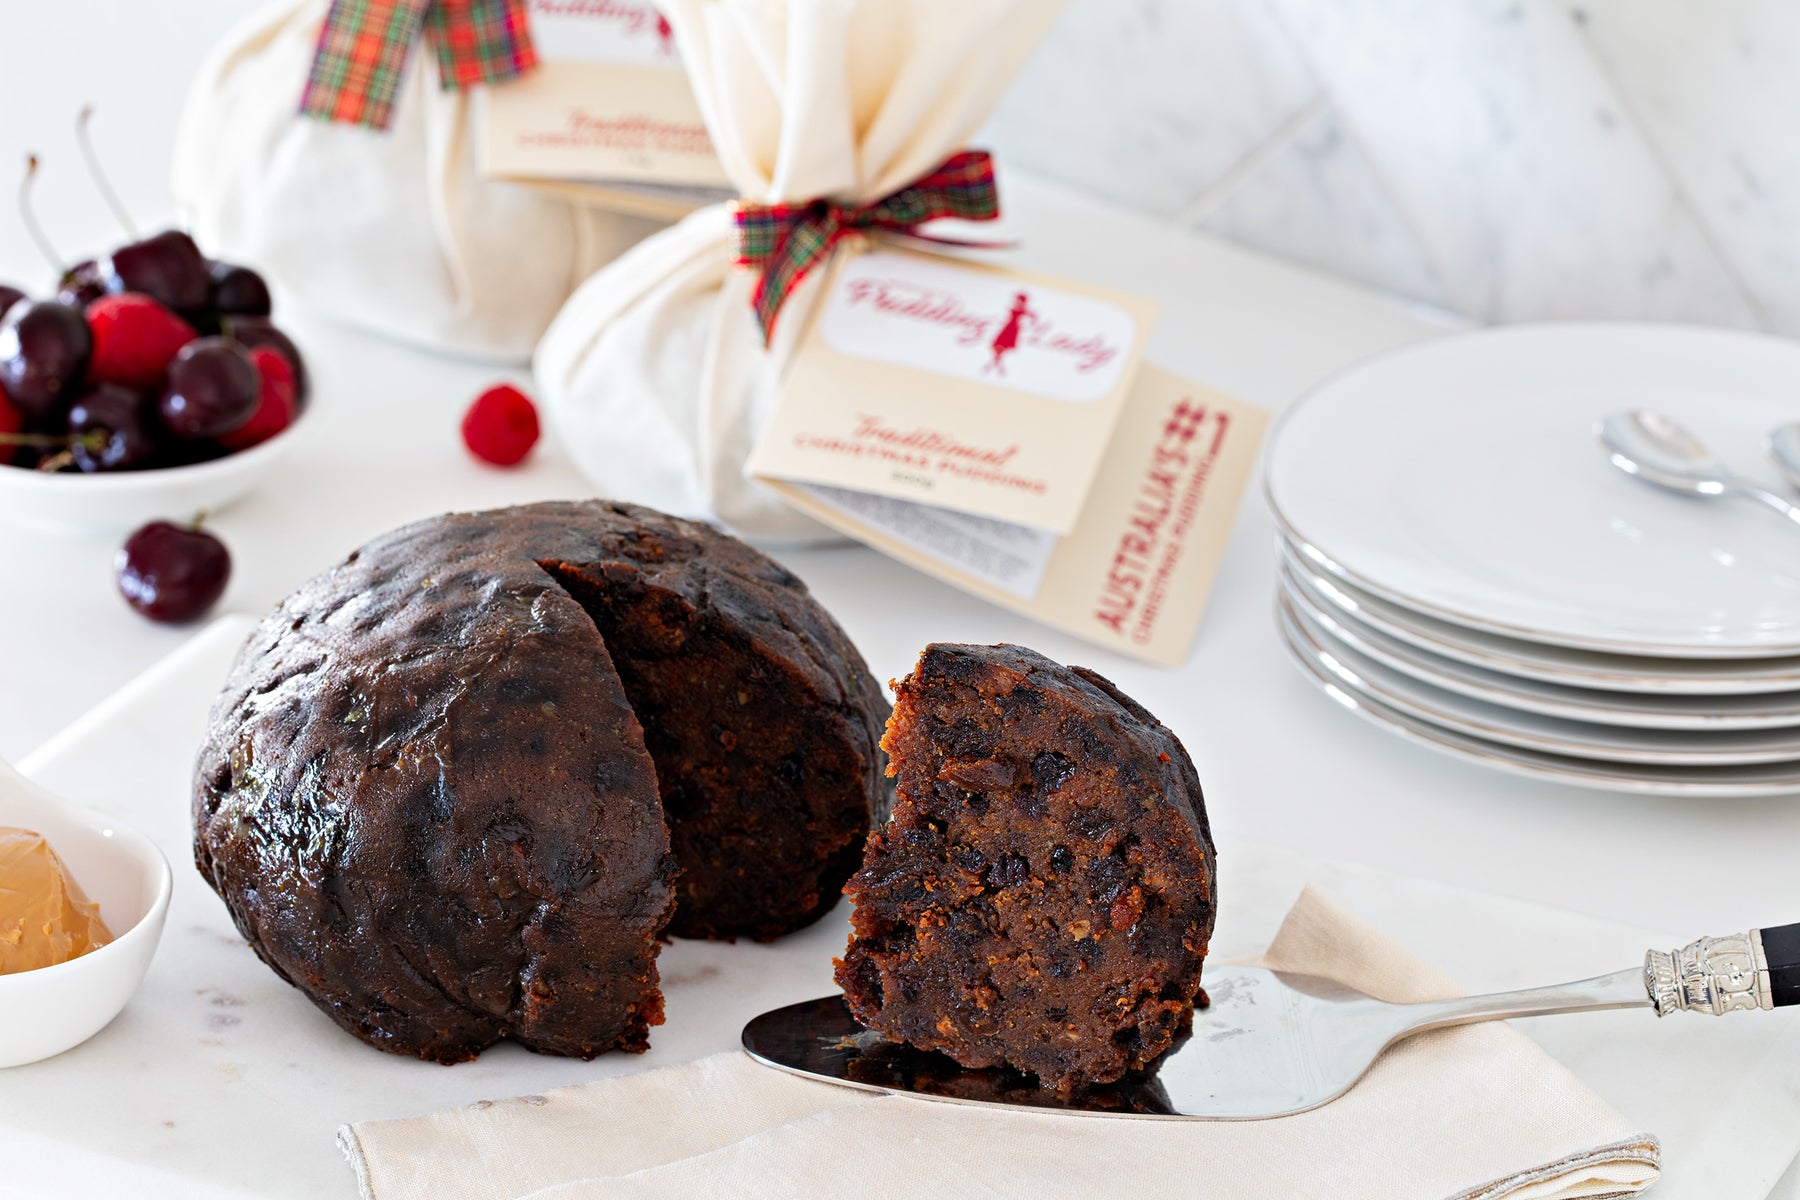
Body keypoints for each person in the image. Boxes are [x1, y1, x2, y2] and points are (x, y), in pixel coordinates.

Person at [985, 291, 1037, 376]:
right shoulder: (1016, 307)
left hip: (1012, 329)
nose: (1017, 301)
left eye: (1019, 300)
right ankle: (996, 367)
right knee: (999, 349)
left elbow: (1032, 315)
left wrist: (1031, 320)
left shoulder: (1022, 309)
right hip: (1008, 328)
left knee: (1000, 349)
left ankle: (993, 367)